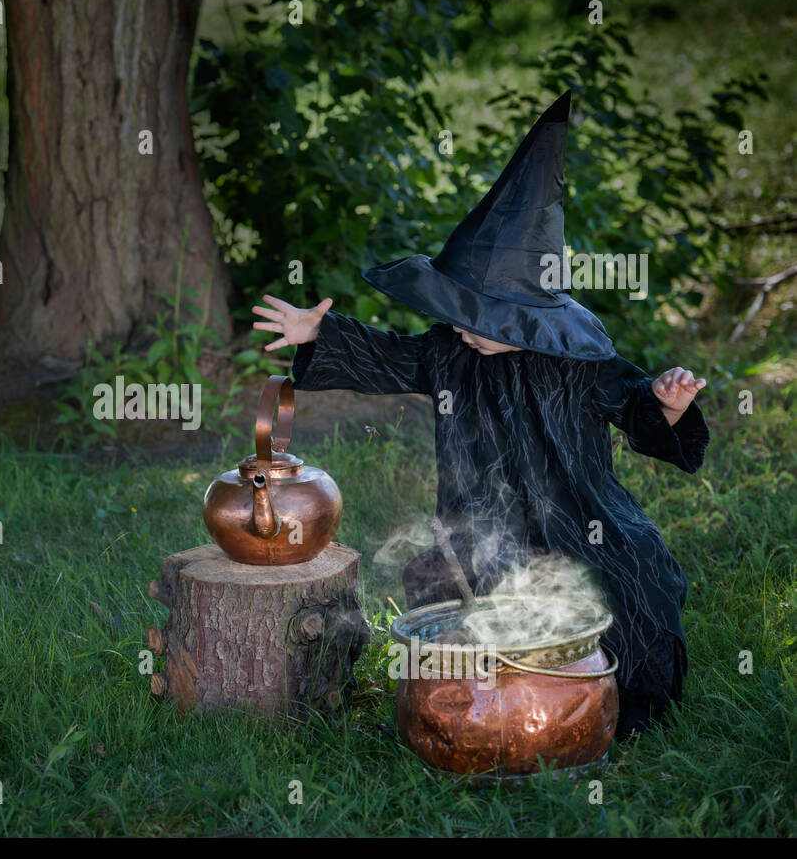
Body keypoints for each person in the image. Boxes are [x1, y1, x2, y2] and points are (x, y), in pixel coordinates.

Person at [254, 93, 709, 738]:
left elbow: (633, 405)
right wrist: (315, 337)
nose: (468, 331)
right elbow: (388, 358)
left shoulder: (576, 360)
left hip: (580, 514)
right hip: (480, 518)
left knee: (636, 579)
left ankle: (620, 704)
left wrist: (664, 405)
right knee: (454, 588)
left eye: (484, 320)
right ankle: (471, 702)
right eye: (459, 313)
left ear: (528, 314)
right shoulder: (448, 351)